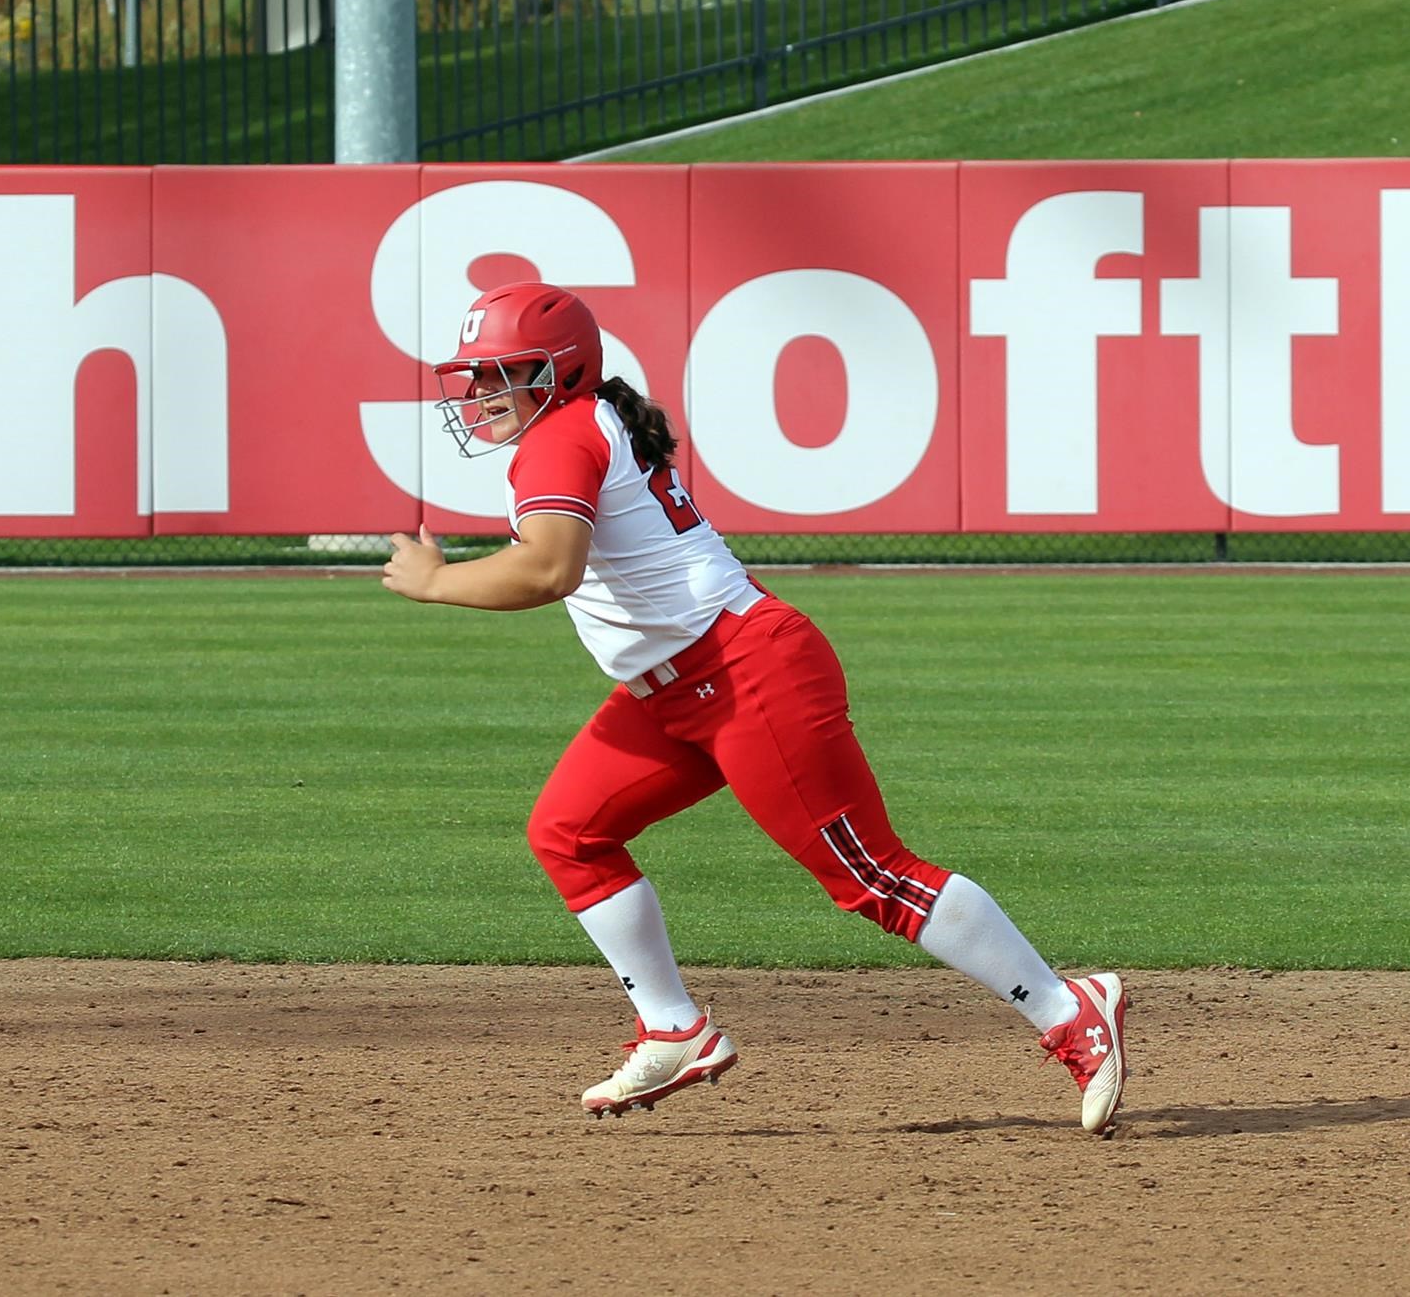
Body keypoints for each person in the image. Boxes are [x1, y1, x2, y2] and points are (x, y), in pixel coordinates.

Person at [381, 282, 1130, 1136]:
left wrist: (435, 581)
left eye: (500, 372)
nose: (479, 390)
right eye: (476, 374)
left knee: (869, 874)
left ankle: (1068, 1008)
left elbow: (548, 568)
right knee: (570, 833)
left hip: (742, 672)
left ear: (561, 371)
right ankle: (674, 1028)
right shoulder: (580, 425)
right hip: (676, 686)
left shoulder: (559, 435)